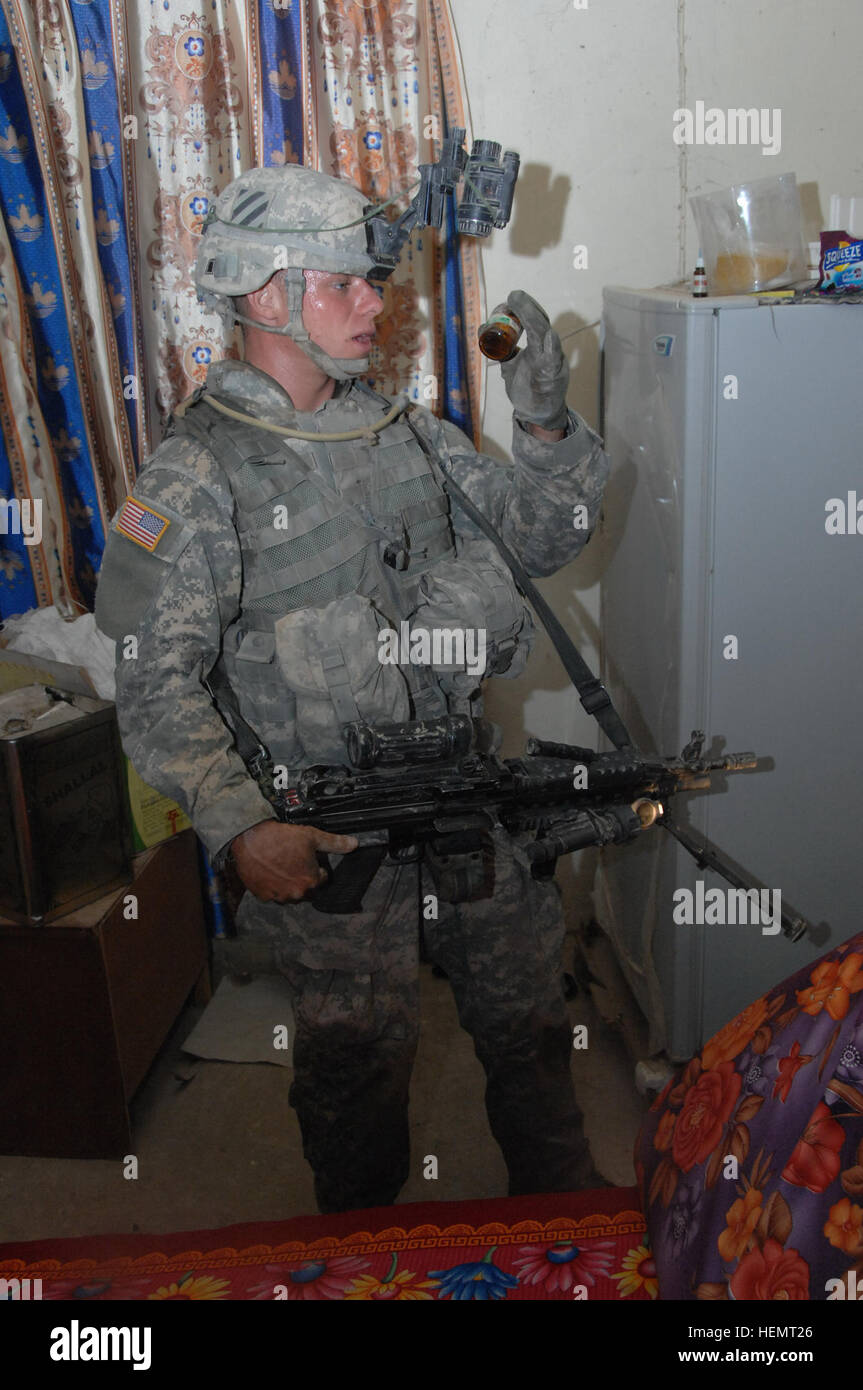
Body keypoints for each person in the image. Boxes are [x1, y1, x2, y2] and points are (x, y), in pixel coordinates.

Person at [95, 164, 610, 1213]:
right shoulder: (197, 480)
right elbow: (152, 685)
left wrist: (545, 420)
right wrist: (240, 823)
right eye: (344, 283)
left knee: (528, 1028)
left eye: (367, 281)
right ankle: (357, 1248)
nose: (377, 302)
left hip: (462, 807)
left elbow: (546, 537)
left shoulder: (405, 433)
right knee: (354, 1073)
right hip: (325, 836)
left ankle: (565, 1220)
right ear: (261, 295)